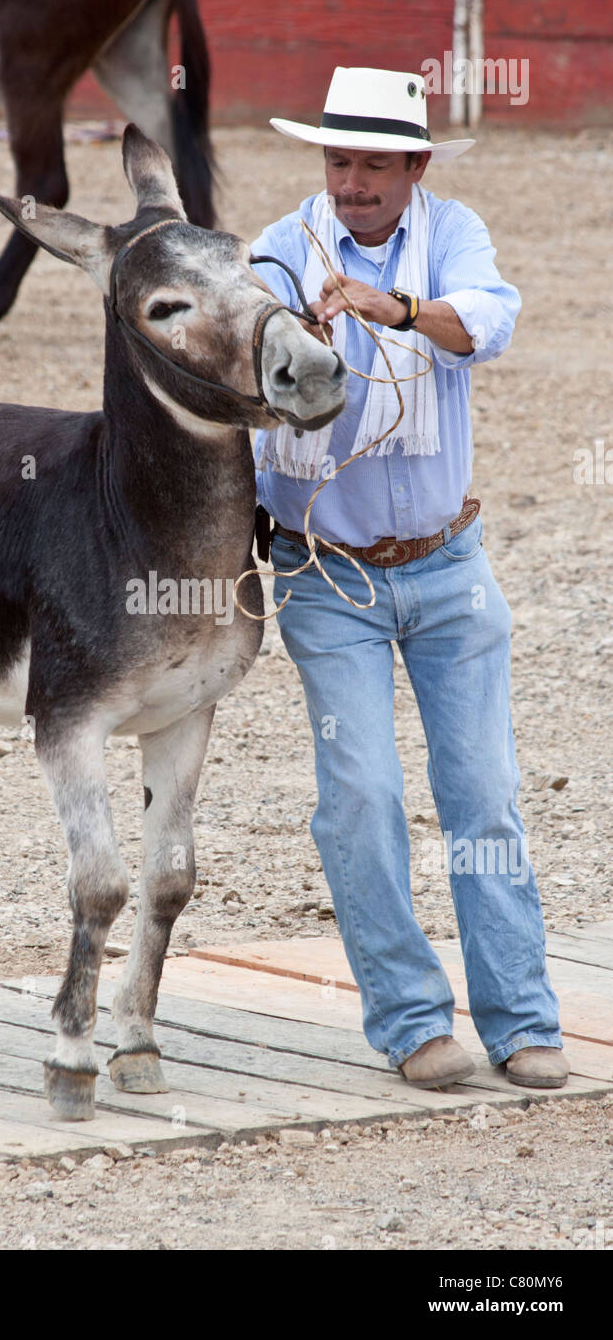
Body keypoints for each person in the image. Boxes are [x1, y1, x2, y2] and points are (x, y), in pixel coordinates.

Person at [251, 66, 567, 1090]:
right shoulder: (278, 249)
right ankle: (408, 1019)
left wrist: (387, 307)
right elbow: (237, 345)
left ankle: (519, 1019)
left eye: (371, 164)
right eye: (337, 160)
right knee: (361, 794)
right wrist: (298, 323)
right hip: (324, 573)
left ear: (413, 168)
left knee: (483, 794)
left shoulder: (454, 233)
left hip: (448, 567)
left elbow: (487, 322)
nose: (349, 181)